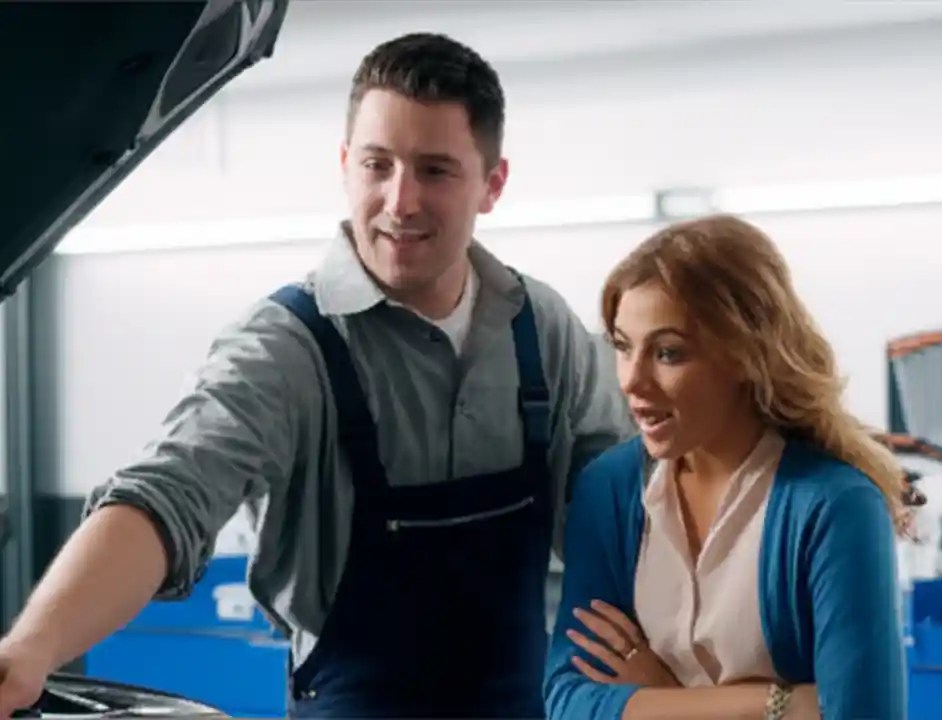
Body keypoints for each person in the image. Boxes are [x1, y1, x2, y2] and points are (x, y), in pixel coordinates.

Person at [0, 32, 634, 719]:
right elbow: (168, 494)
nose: (400, 201)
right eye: (377, 164)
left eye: (436, 170)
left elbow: (620, 515)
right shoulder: (287, 346)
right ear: (345, 165)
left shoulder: (543, 328)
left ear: (493, 184)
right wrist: (32, 650)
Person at [543, 214, 909, 720]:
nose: (631, 380)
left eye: (668, 353)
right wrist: (778, 703)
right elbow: (568, 700)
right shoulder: (610, 488)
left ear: (744, 354)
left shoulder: (835, 506)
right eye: (623, 347)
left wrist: (660, 695)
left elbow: (860, 715)